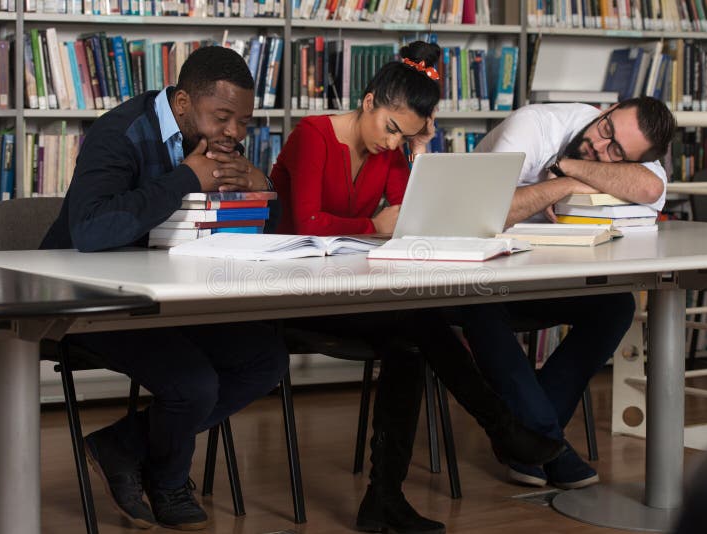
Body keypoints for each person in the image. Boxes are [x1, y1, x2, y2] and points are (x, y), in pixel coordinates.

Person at [271, 41, 564, 534]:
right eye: (390, 128)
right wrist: (373, 225)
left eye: (402, 136)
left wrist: (420, 149)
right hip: (291, 291)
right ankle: (502, 429)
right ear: (368, 101)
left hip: (349, 288)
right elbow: (307, 221)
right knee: (419, 326)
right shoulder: (312, 136)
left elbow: (414, 216)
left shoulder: (392, 148)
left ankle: (385, 499)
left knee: (413, 339)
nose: (391, 144)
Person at [40, 46, 289, 530]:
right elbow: (90, 230)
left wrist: (263, 189)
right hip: (87, 297)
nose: (235, 133)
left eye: (244, 122)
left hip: (172, 297)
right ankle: (170, 481)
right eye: (223, 118)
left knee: (266, 359)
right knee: (194, 384)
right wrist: (184, 179)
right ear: (181, 103)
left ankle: (123, 446)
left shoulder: (220, 141)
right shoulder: (120, 133)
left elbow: (256, 231)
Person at [461, 97, 676, 489]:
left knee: (615, 306)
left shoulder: (609, 150)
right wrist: (560, 186)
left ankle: (525, 438)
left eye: (616, 152)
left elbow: (650, 188)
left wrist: (569, 167)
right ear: (605, 109)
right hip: (481, 272)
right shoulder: (535, 125)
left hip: (544, 276)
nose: (599, 145)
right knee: (479, 304)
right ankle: (547, 442)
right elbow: (488, 212)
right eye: (605, 129)